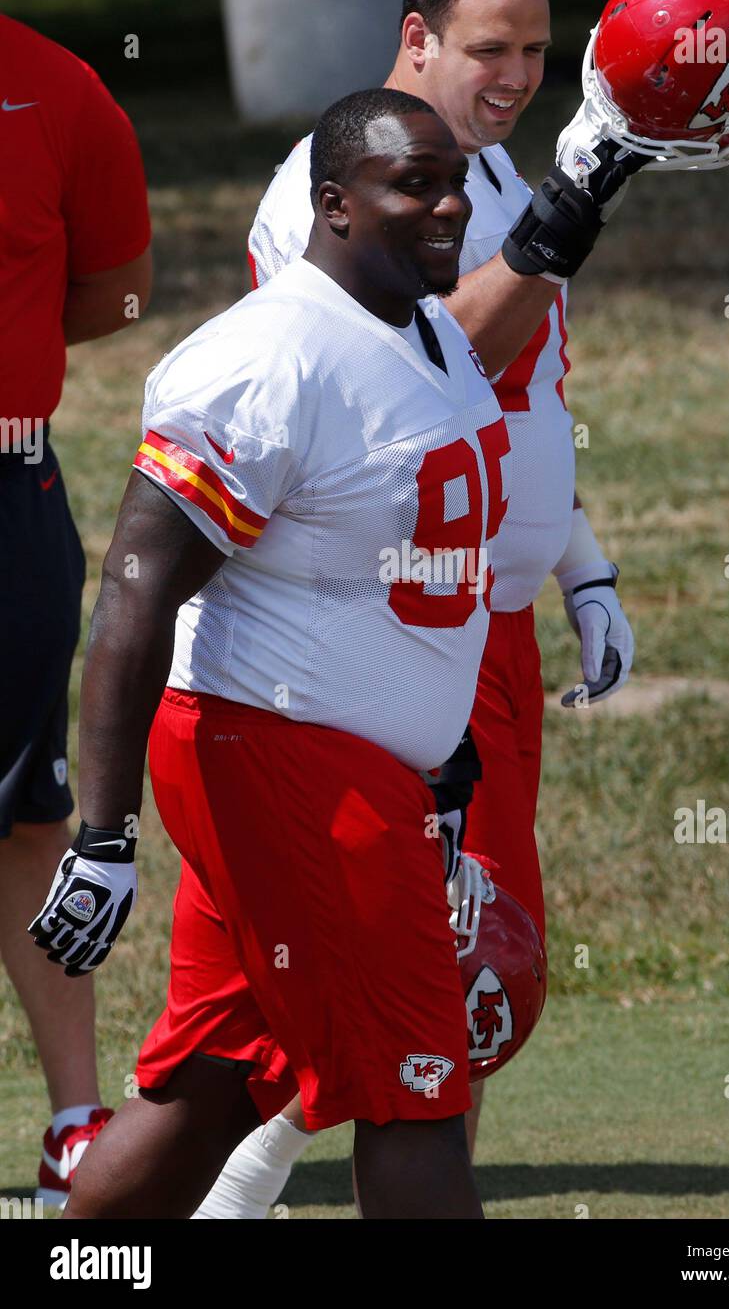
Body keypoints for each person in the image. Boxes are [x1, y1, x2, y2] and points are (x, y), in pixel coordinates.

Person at [196, 0, 640, 1218]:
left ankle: (263, 1173)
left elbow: (521, 410)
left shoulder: (491, 175)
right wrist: (565, 220)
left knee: (459, 949)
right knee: (437, 952)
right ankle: (243, 1180)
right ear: (415, 40)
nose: (513, 75)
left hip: (482, 622)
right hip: (372, 628)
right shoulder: (330, 186)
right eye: (487, 48)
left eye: (535, 52)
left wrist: (582, 562)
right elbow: (406, 373)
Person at [30, 88, 513, 1220]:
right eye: (414, 184)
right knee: (417, 1097)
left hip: (340, 767)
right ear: (333, 204)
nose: (448, 203)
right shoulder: (267, 357)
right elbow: (136, 590)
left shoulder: (425, 325)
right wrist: (103, 836)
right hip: (283, 761)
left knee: (210, 1087)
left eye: (453, 180)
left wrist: (438, 759)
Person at [0, 12, 152, 1205]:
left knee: (23, 806)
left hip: (9, 478)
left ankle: (72, 1125)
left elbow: (118, 288)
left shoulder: (55, 87)